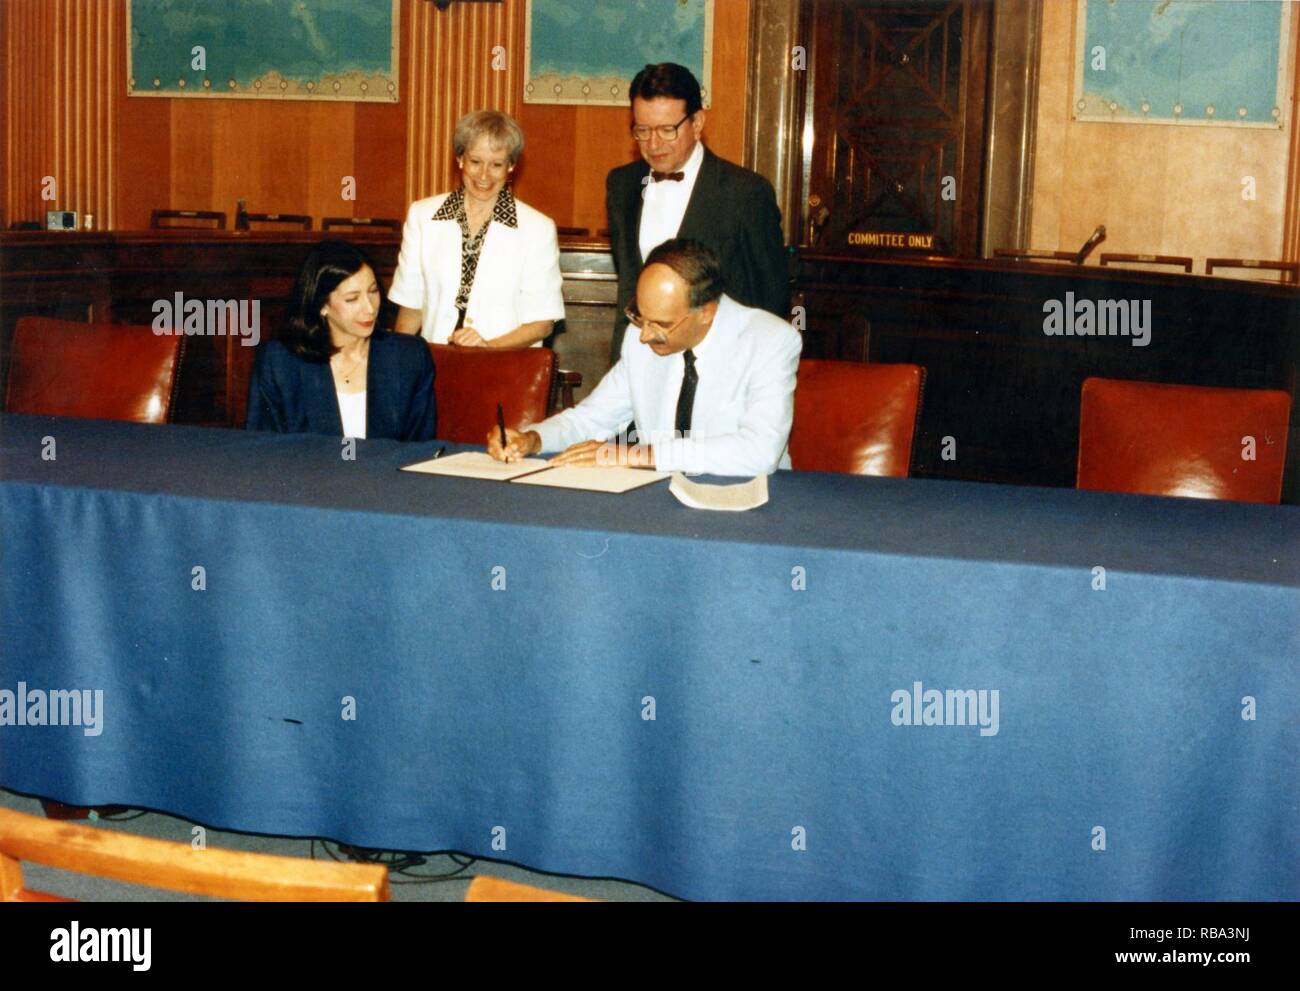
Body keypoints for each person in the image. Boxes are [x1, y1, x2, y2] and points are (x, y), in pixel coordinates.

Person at [488, 239, 800, 477]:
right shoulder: (640, 342)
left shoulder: (769, 341)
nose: (644, 335)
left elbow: (760, 452)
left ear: (706, 312)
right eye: (640, 317)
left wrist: (637, 455)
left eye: (661, 325)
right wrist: (532, 439)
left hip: (749, 502)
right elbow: (592, 419)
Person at [605, 62, 789, 363]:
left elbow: (771, 299)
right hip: (642, 364)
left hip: (721, 368)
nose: (653, 144)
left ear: (698, 123)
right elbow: (628, 287)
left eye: (667, 130)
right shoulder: (621, 185)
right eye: (642, 130)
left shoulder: (746, 192)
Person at [390, 109, 565, 346]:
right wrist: (396, 363)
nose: (484, 175)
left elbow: (542, 324)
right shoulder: (422, 217)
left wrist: (486, 349)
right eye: (475, 162)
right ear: (460, 159)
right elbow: (411, 305)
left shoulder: (538, 229)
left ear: (511, 166)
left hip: (504, 368)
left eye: (496, 164)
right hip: (434, 364)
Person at [246, 240, 436, 440]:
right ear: (322, 305)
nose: (370, 308)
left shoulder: (409, 356)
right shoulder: (279, 362)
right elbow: (263, 448)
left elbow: (420, 448)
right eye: (352, 299)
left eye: (373, 292)